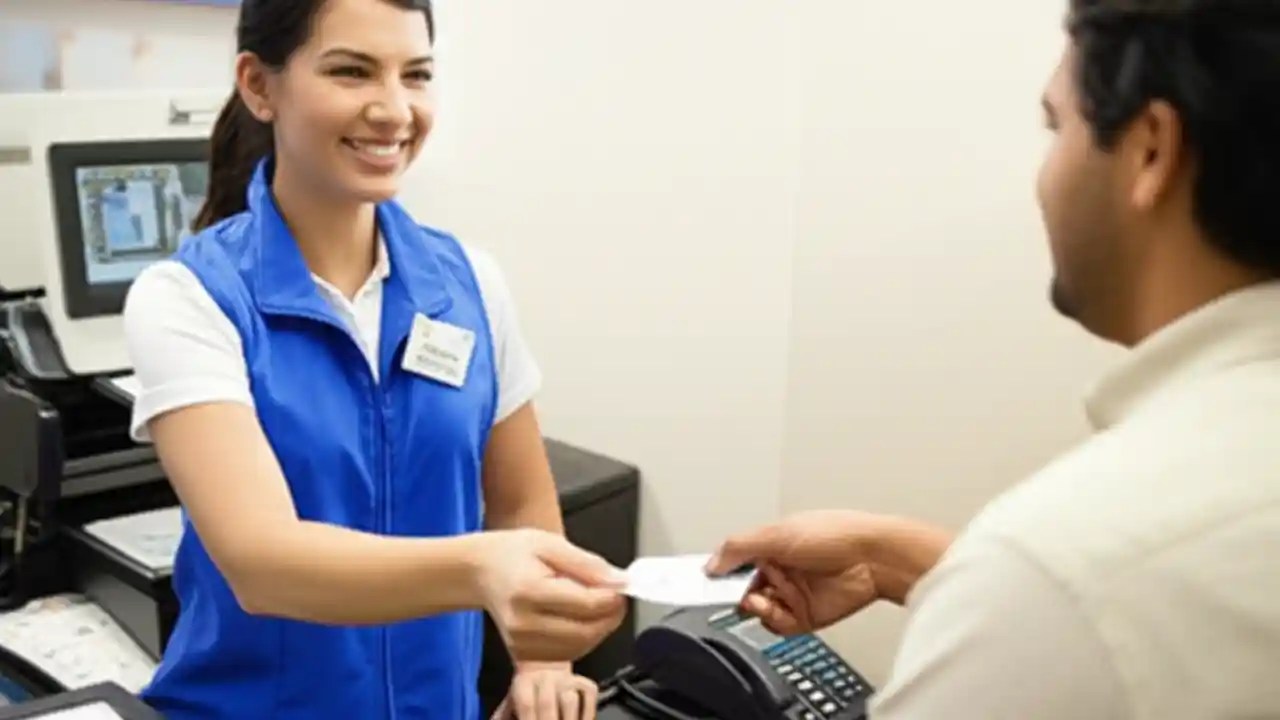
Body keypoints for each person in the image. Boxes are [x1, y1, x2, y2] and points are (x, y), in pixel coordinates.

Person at [707, 1, 1280, 717]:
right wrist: (896, 558)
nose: (1043, 178)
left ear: (1151, 150)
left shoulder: (1063, 566)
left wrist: (1003, 584)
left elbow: (1082, 601)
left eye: (1056, 126)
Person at [122, 1, 626, 718]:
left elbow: (519, 501)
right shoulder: (187, 298)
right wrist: (481, 568)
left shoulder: (470, 286)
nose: (394, 110)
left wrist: (543, 660)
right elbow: (262, 562)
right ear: (259, 87)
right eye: (352, 72)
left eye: (416, 76)